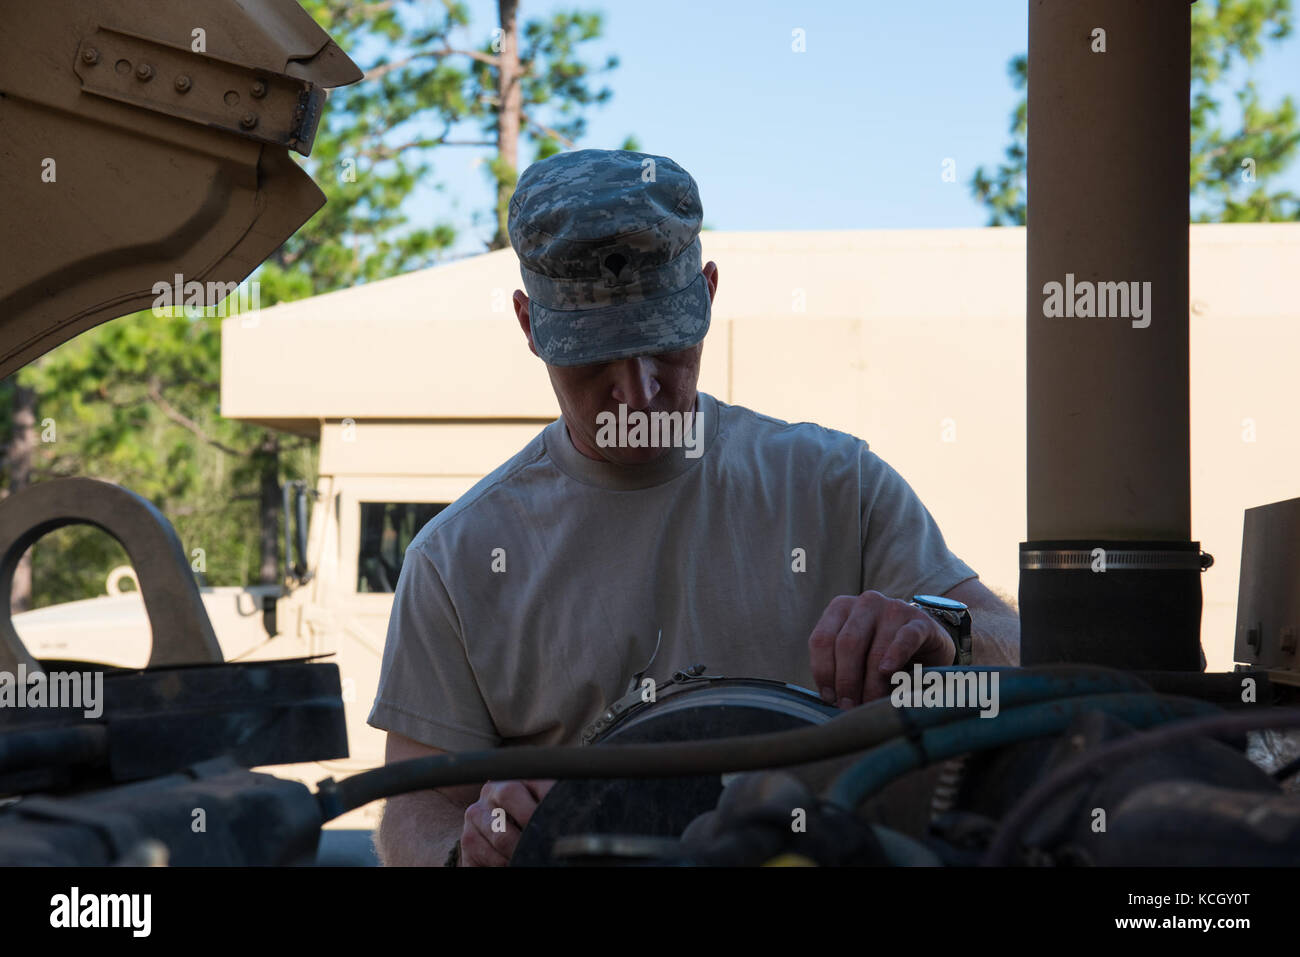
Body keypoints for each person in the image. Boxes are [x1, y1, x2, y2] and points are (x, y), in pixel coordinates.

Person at [367, 148, 1020, 867]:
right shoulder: (457, 557)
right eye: (593, 359)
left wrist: (943, 634)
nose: (639, 394)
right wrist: (465, 851)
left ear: (707, 295)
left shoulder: (840, 485)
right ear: (528, 325)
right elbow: (415, 806)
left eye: (664, 346)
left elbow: (1026, 656)